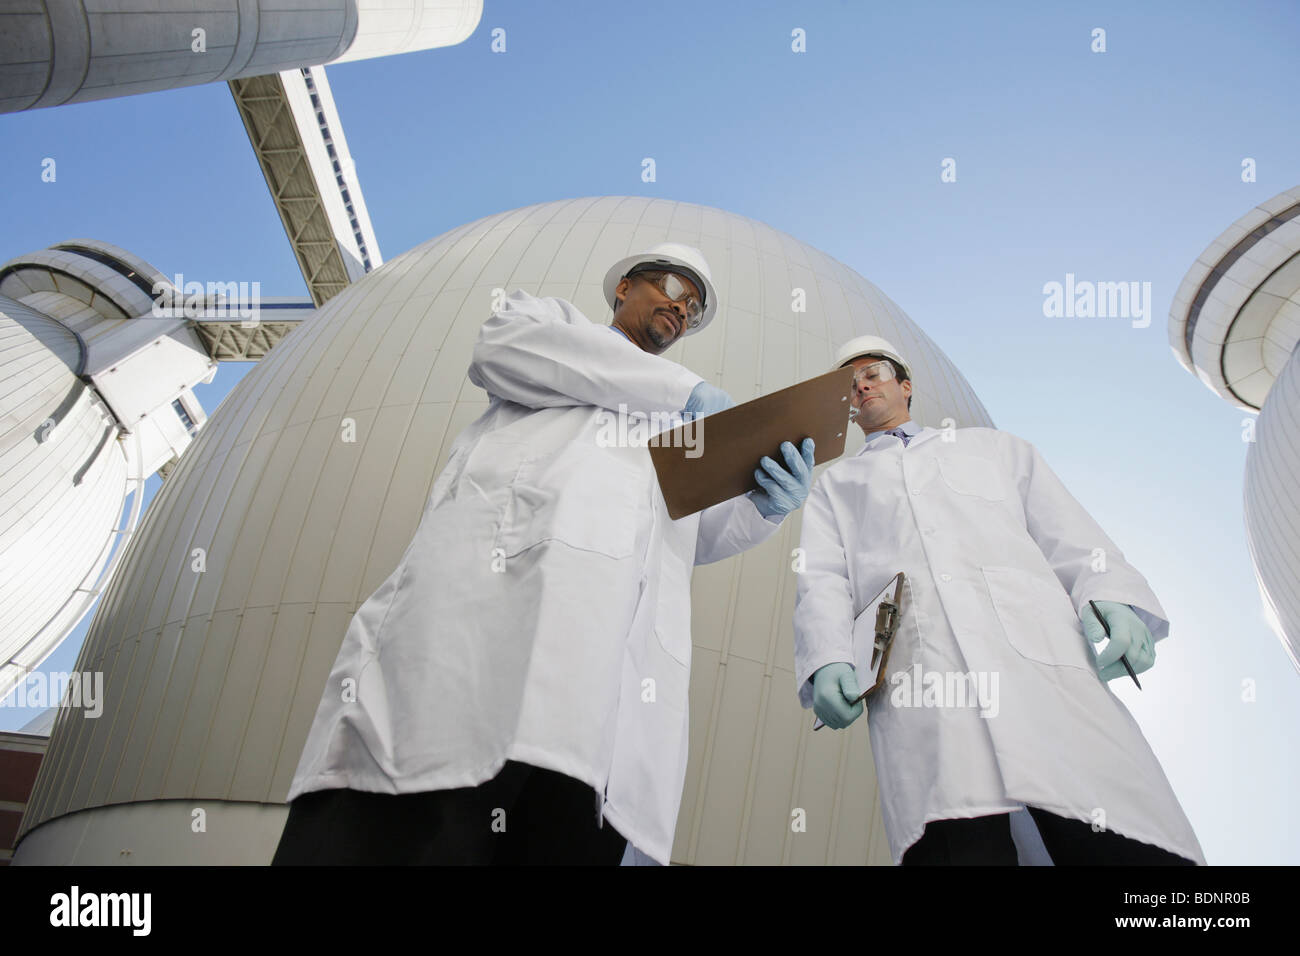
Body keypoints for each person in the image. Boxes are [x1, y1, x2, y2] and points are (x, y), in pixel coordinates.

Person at [273, 242, 816, 865]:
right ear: (623, 289)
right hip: (482, 638)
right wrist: (685, 393)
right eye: (670, 285)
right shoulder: (547, 328)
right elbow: (497, 351)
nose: (681, 307)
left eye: (693, 306)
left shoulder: (677, 431)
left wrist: (763, 506)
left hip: (596, 702)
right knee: (406, 833)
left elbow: (688, 534)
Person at [792, 335, 1205, 865]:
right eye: (849, 385)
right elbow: (822, 580)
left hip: (1043, 671)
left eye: (871, 372)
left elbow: (1069, 537)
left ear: (906, 385)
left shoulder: (996, 449)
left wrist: (1111, 597)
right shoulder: (836, 489)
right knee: (960, 847)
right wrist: (827, 660)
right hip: (925, 695)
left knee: (1120, 844)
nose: (861, 385)